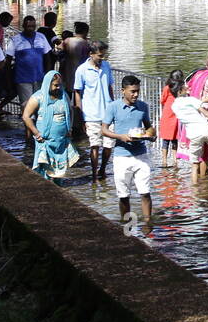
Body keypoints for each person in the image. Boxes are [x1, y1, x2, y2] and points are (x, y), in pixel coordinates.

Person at [103, 75, 156, 221]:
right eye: (132, 91)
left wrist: (151, 134)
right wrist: (121, 137)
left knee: (145, 193)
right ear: (123, 91)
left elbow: (149, 127)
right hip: (121, 156)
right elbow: (104, 130)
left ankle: (147, 225)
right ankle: (126, 225)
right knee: (124, 195)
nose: (136, 94)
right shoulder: (113, 107)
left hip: (141, 155)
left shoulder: (143, 106)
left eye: (137, 91)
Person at [21, 70, 78, 179]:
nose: (58, 88)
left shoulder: (63, 95)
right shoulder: (38, 97)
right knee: (44, 172)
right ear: (48, 84)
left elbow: (70, 111)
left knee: (59, 173)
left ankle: (59, 190)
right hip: (45, 141)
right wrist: (36, 133)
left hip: (61, 142)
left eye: (60, 85)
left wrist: (69, 127)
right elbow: (26, 116)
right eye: (56, 85)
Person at [74, 40, 115, 179]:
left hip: (108, 113)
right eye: (99, 56)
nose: (102, 58)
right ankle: (93, 174)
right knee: (94, 145)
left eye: (103, 55)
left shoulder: (106, 66)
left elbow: (110, 87)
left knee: (109, 145)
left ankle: (102, 169)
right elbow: (77, 92)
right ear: (91, 54)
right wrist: (80, 115)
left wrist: (113, 107)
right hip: (91, 115)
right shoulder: (82, 70)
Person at [169, 80, 208, 178]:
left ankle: (195, 188)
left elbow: (188, 106)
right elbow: (205, 112)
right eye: (185, 87)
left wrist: (203, 100)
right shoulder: (191, 100)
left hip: (193, 135)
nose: (187, 87)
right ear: (179, 92)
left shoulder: (174, 106)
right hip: (206, 129)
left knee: (194, 164)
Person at [11, 16, 54, 137]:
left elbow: (48, 56)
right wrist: (9, 80)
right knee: (26, 106)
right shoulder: (15, 40)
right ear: (23, 26)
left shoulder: (41, 37)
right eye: (28, 26)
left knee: (40, 105)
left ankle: (40, 132)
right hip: (23, 79)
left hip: (39, 78)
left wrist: (49, 74)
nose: (31, 29)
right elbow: (8, 59)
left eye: (33, 26)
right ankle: (28, 133)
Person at [59, 22, 91, 134]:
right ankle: (78, 124)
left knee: (66, 100)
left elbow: (58, 50)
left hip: (67, 73)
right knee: (79, 101)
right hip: (81, 75)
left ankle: (67, 123)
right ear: (85, 32)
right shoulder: (86, 44)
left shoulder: (67, 41)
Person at [158, 68, 185, 168]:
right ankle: (175, 160)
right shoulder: (181, 88)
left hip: (167, 114)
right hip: (177, 114)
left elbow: (162, 100)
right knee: (175, 138)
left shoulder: (167, 88)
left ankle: (164, 161)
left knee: (165, 139)